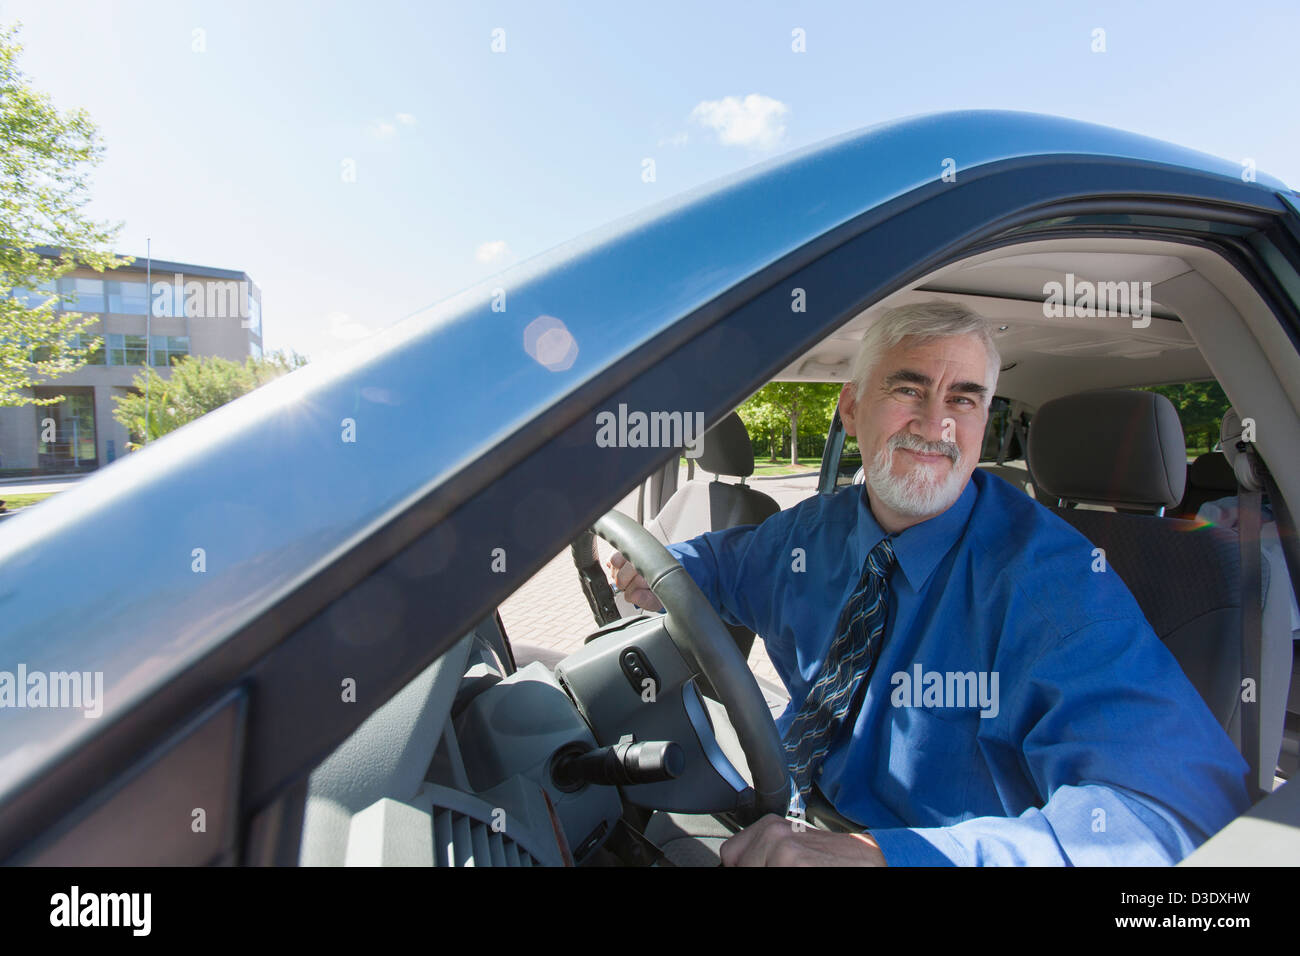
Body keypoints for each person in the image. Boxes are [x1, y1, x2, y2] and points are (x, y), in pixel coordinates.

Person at [607, 301, 1252, 866]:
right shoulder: (810, 532)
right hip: (781, 804)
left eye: (962, 399)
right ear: (852, 407)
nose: (937, 424)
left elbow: (1169, 821)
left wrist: (890, 860)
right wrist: (665, 564)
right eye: (909, 390)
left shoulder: (1054, 588)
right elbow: (721, 564)